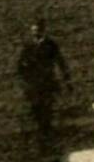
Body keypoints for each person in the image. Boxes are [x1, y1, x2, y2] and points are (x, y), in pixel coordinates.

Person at [16, 18, 71, 146]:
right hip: (34, 84)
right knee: (36, 109)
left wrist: (66, 79)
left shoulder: (50, 44)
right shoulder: (28, 45)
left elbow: (60, 61)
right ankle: (43, 133)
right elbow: (21, 64)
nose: (35, 33)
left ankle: (47, 134)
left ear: (43, 30)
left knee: (47, 108)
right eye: (33, 30)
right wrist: (25, 77)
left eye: (37, 30)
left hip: (47, 82)